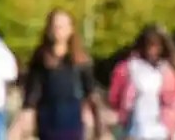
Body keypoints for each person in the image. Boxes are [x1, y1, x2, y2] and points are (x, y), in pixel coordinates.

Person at [9, 8, 104, 140]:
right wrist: (19, 126)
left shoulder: (80, 61)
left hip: (73, 127)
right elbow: (31, 97)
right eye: (55, 26)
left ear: (70, 29)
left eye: (62, 26)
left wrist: (100, 127)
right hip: (47, 126)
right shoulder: (40, 61)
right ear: (48, 29)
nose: (58, 29)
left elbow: (91, 94)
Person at [107, 25, 175, 140]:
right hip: (134, 128)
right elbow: (114, 98)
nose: (152, 51)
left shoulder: (168, 71)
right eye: (149, 45)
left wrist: (170, 127)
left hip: (162, 129)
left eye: (157, 46)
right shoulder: (128, 69)